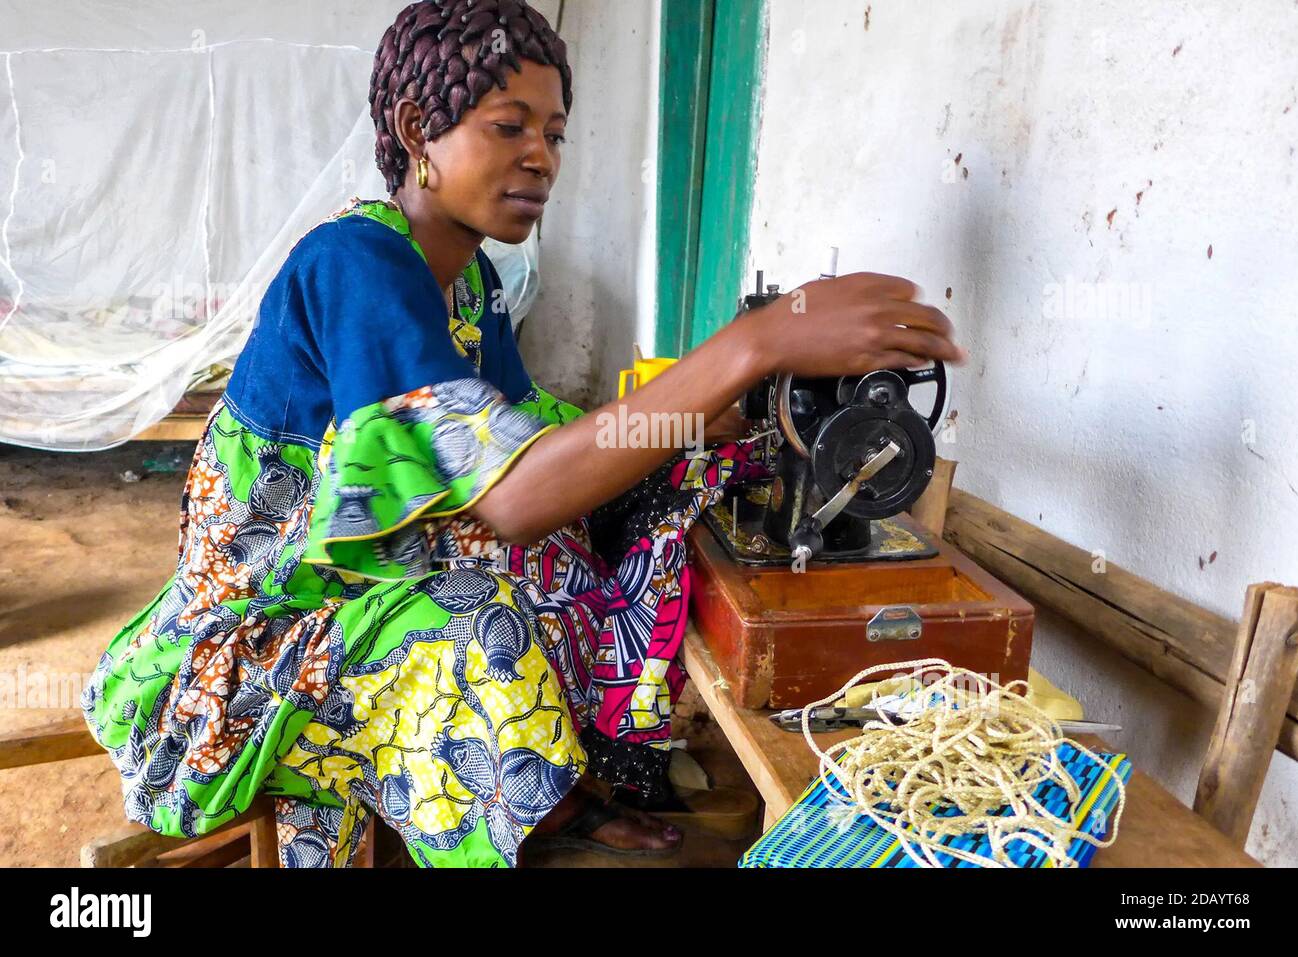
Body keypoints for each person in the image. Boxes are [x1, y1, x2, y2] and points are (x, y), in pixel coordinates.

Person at [81, 0, 964, 868]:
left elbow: (531, 439)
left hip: (356, 585)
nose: (541, 158)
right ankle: (527, 808)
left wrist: (706, 416)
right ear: (417, 127)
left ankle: (547, 784)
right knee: (479, 613)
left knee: (573, 542)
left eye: (555, 134)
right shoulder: (356, 263)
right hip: (256, 642)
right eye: (510, 127)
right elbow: (509, 494)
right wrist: (751, 344)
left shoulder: (471, 285)